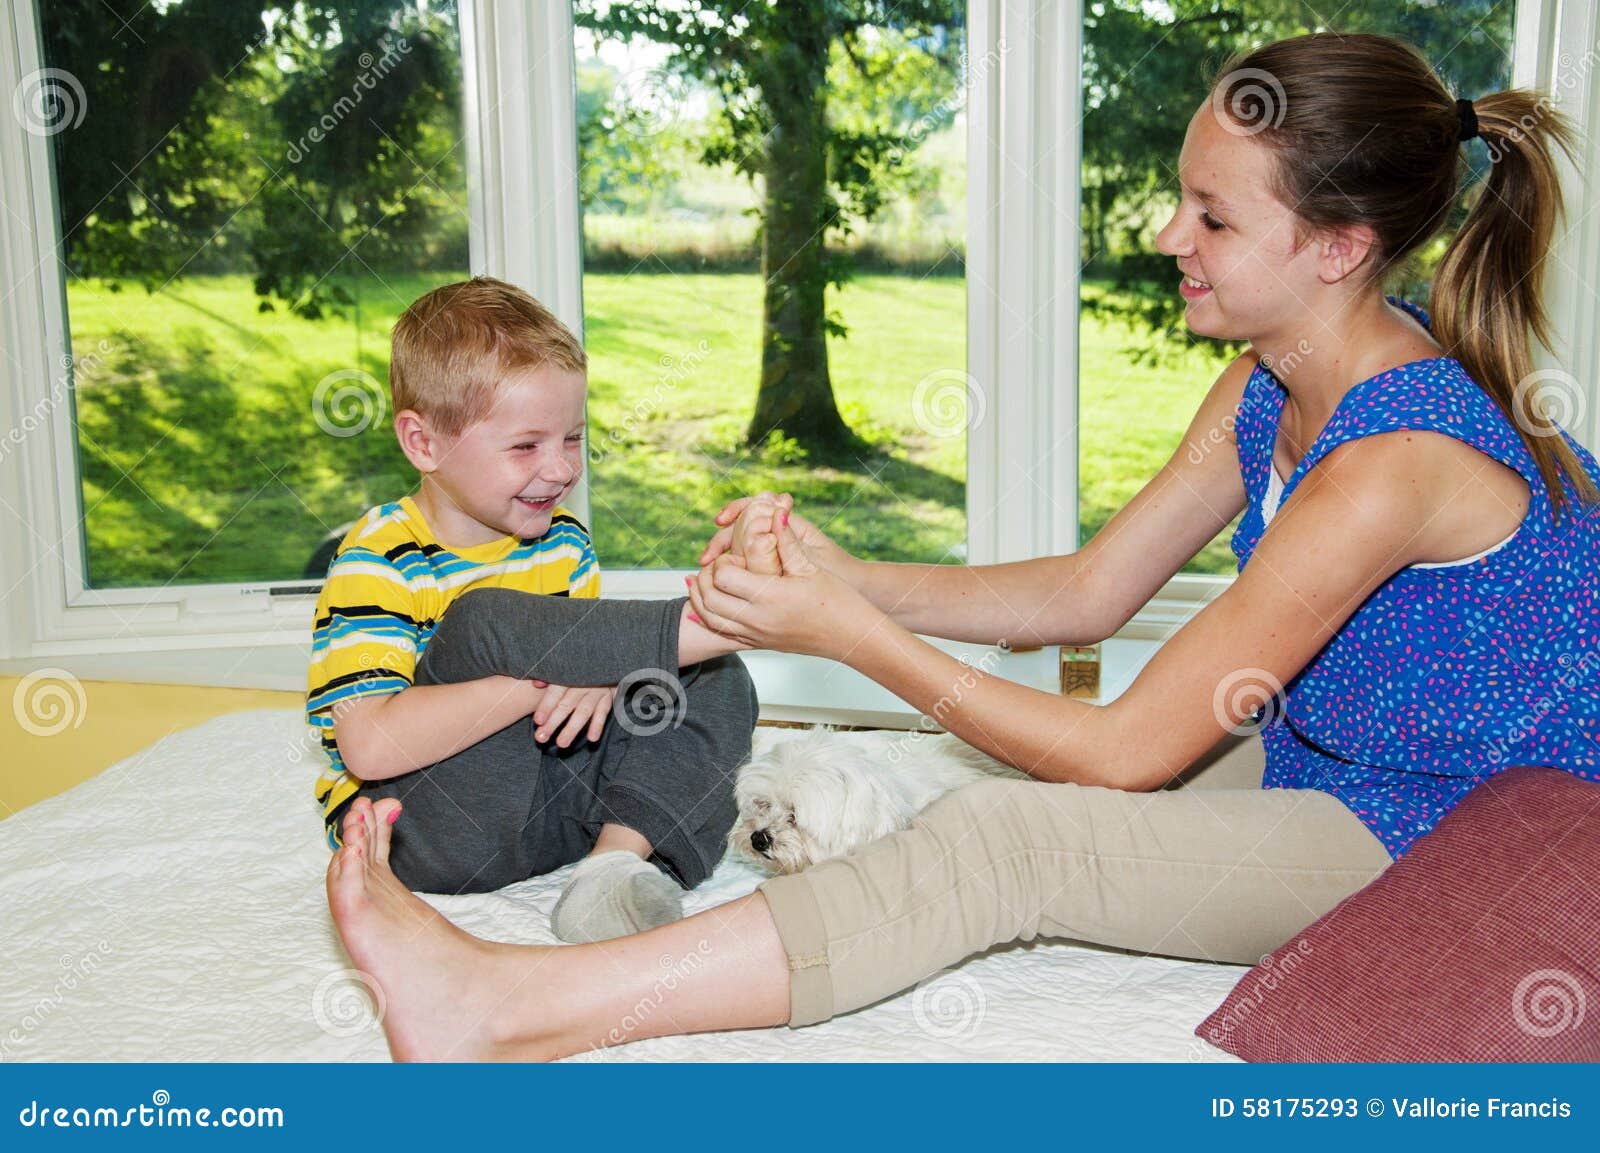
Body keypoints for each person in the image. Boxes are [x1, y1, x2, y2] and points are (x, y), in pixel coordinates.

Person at [325, 32, 1600, 1060]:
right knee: (1006, 788)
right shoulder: (1275, 378)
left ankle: (511, 1009)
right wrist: (849, 578)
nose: (1169, 235)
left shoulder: (1391, 464)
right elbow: (1088, 592)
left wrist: (850, 636)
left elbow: (1124, 750)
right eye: (1181, 198)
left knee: (1011, 837)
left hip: (1475, 833)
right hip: (1351, 756)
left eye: (1211, 218)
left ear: (1338, 248)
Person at [306, 276, 756, 944]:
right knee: (485, 618)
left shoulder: (564, 542)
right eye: (526, 446)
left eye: (572, 438)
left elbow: (590, 678)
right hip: (430, 826)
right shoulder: (378, 559)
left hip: (557, 812)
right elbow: (369, 745)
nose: (561, 468)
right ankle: (715, 618)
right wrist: (541, 682)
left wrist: (600, 677)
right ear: (424, 443)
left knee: (715, 675)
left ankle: (611, 870)